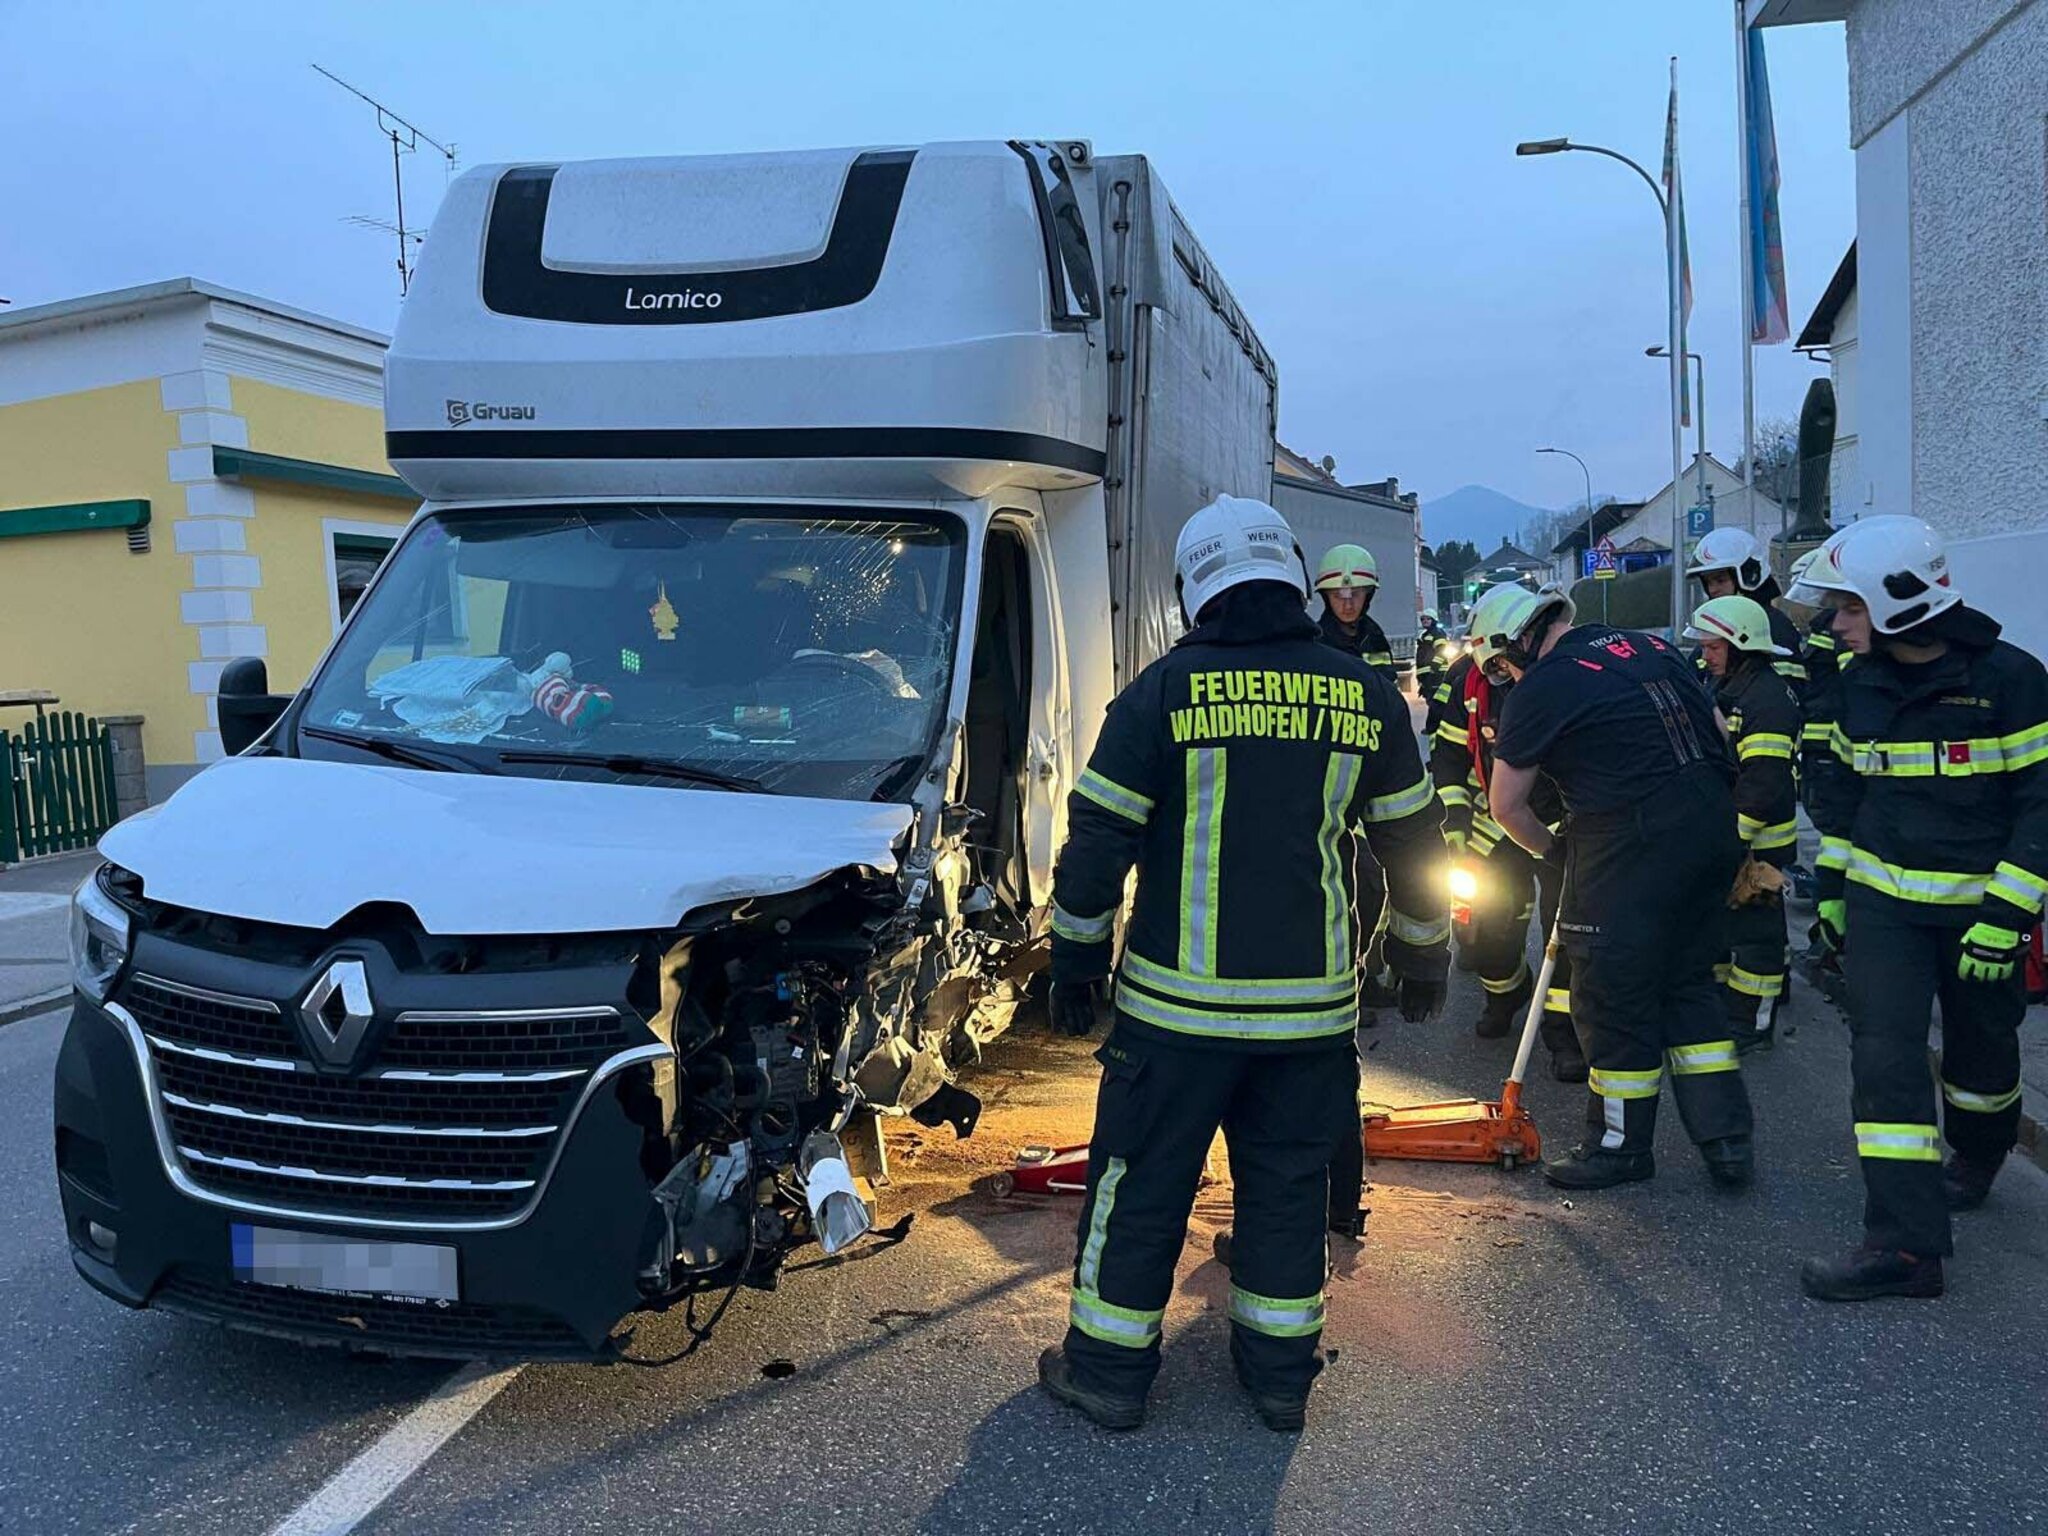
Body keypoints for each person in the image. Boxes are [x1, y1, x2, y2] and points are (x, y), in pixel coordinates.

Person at [1037, 496, 1449, 1433]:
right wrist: (1425, 956)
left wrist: (1074, 961)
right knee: (1291, 1189)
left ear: (1195, 588)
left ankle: (1106, 1370)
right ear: (1295, 579)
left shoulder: (1158, 695)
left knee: (1140, 1185)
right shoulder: (1364, 694)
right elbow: (1416, 844)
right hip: (1309, 1021)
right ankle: (1277, 1377)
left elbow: (1098, 841)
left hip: (1174, 1021)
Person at [1790, 516, 2048, 1302]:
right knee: (1885, 1061)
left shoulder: (2011, 680)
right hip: (1885, 915)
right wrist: (1833, 891)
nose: (1836, 623)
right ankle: (1905, 1247)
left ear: (1900, 601)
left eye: (1850, 608)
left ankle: (1978, 1152)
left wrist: (2008, 916)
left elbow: (2041, 807)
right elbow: (1841, 797)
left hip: (1981, 916)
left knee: (1983, 1059)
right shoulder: (1853, 686)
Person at [1478, 583, 1756, 1192]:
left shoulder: (1544, 684)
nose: (1504, 680)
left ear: (1519, 641)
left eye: (1500, 667)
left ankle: (1619, 1147)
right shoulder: (1649, 648)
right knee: (1687, 981)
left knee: (1613, 995)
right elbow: (1717, 732)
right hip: (1710, 833)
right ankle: (1727, 1141)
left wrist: (1553, 852)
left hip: (1627, 846)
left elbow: (1506, 805)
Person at [1429, 593, 1585, 1080]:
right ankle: (1508, 994)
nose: (1502, 674)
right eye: (1492, 666)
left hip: (1563, 827)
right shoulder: (1467, 686)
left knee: (1567, 936)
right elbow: (1450, 759)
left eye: (1504, 663)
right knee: (1485, 930)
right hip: (1494, 826)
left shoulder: (1569, 679)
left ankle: (1565, 1034)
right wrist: (1454, 823)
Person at [1685, 595, 1801, 1052]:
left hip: (1758, 845)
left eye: (1714, 647)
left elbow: (1764, 783)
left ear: (1742, 646)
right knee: (1724, 929)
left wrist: (1729, 843)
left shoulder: (1767, 700)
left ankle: (1752, 1021)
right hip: (1732, 837)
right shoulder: (1733, 687)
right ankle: (1724, 1004)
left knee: (1757, 937)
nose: (1704, 655)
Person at [1688, 527, 1808, 687]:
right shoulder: (1717, 629)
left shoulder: (1774, 627)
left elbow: (1785, 694)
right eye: (1708, 582)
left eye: (1720, 580)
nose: (1713, 589)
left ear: (1749, 575)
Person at [1313, 544, 1397, 686]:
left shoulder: (1375, 637)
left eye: (1355, 594)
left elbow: (1388, 690)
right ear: (1326, 597)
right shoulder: (1315, 642)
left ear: (1368, 594)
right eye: (1338, 596)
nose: (1348, 605)